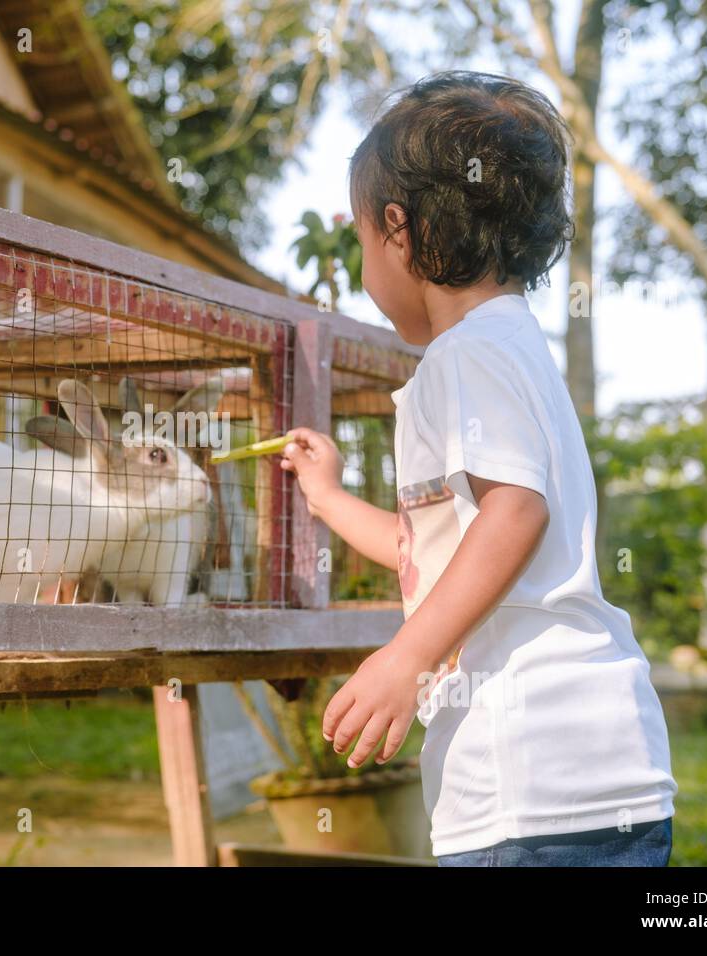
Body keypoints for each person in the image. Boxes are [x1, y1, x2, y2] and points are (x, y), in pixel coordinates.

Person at [281, 71, 678, 866]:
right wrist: (325, 498)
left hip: (527, 785)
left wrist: (406, 657)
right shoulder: (509, 349)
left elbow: (515, 513)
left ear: (398, 231)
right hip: (589, 780)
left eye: (362, 239)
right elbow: (435, 545)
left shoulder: (466, 356)